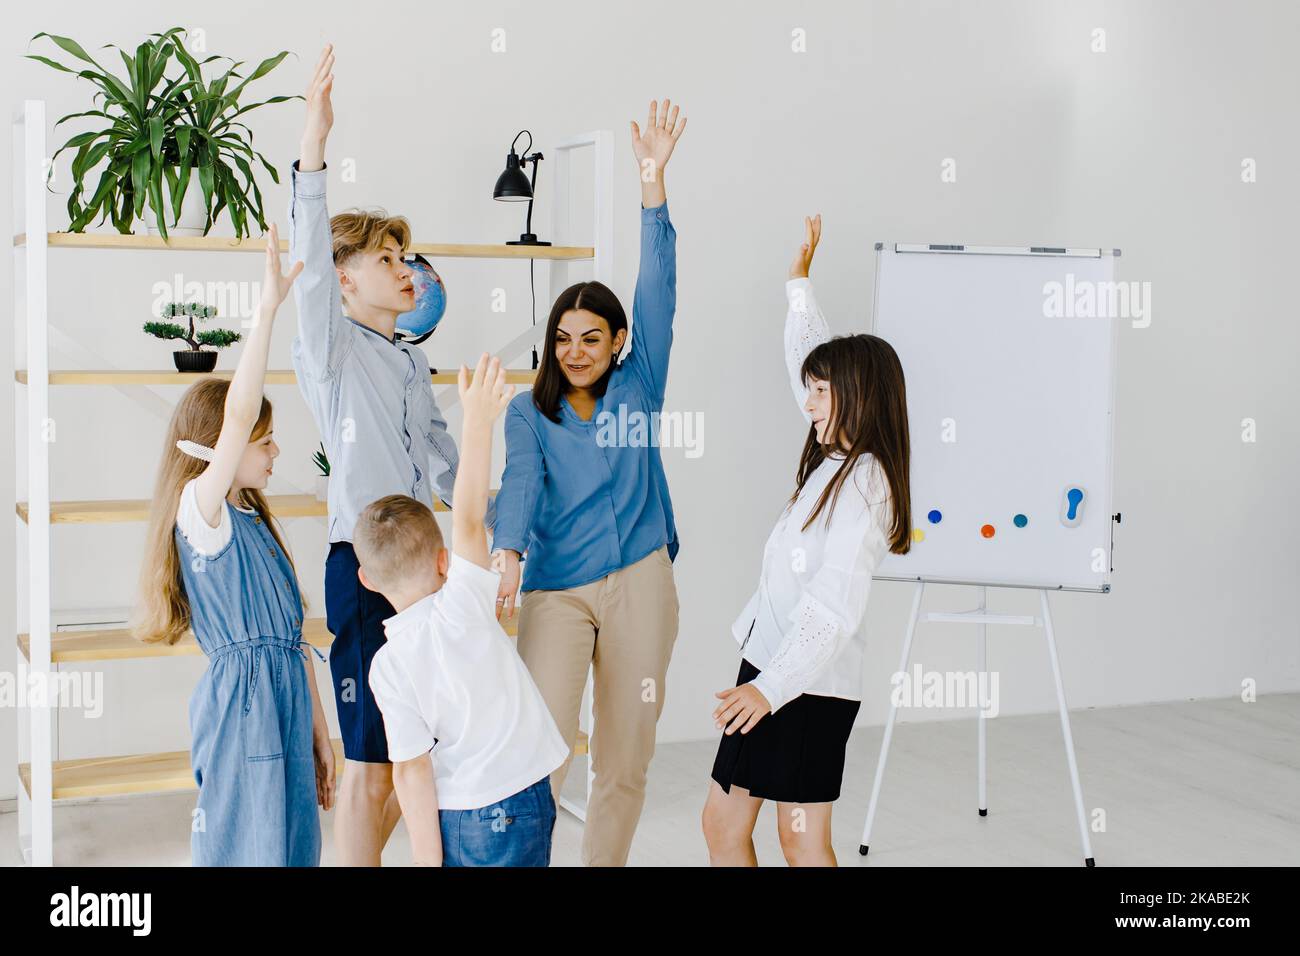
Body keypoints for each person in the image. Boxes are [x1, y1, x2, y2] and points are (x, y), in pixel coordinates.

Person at [290, 44, 488, 864]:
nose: (405, 271)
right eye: (387, 259)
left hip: (424, 574)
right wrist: (314, 141)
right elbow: (304, 260)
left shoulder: (409, 359)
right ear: (341, 281)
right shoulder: (329, 350)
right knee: (372, 765)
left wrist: (493, 537)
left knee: (415, 758)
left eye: (406, 258)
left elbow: (446, 461)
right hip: (366, 575)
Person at [491, 99, 687, 866]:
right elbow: (519, 486)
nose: (574, 352)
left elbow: (660, 283)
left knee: (625, 754)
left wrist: (653, 183)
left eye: (591, 339)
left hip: (641, 575)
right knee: (541, 748)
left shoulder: (642, 382)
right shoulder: (526, 413)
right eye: (562, 340)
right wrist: (507, 552)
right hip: (559, 587)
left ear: (619, 343)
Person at [701, 215, 914, 866]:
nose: (809, 403)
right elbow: (807, 361)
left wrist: (771, 688)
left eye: (822, 395)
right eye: (813, 393)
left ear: (856, 397)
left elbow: (834, 609)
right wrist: (799, 285)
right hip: (770, 665)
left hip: (809, 685)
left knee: (799, 838)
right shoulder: (834, 455)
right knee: (723, 824)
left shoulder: (866, 483)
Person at [134, 225, 335, 865]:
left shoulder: (255, 521)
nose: (275, 451)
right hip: (242, 714)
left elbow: (294, 641)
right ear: (220, 444)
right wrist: (267, 310)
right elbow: (241, 409)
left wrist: (321, 733)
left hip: (286, 701)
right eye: (263, 440)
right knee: (243, 845)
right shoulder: (202, 514)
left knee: (290, 846)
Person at [360, 355, 569, 866]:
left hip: (460, 816)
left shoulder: (385, 667)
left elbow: (410, 771)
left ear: (366, 580)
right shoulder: (463, 600)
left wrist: (429, 862)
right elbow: (470, 517)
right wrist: (477, 424)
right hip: (525, 793)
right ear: (443, 562)